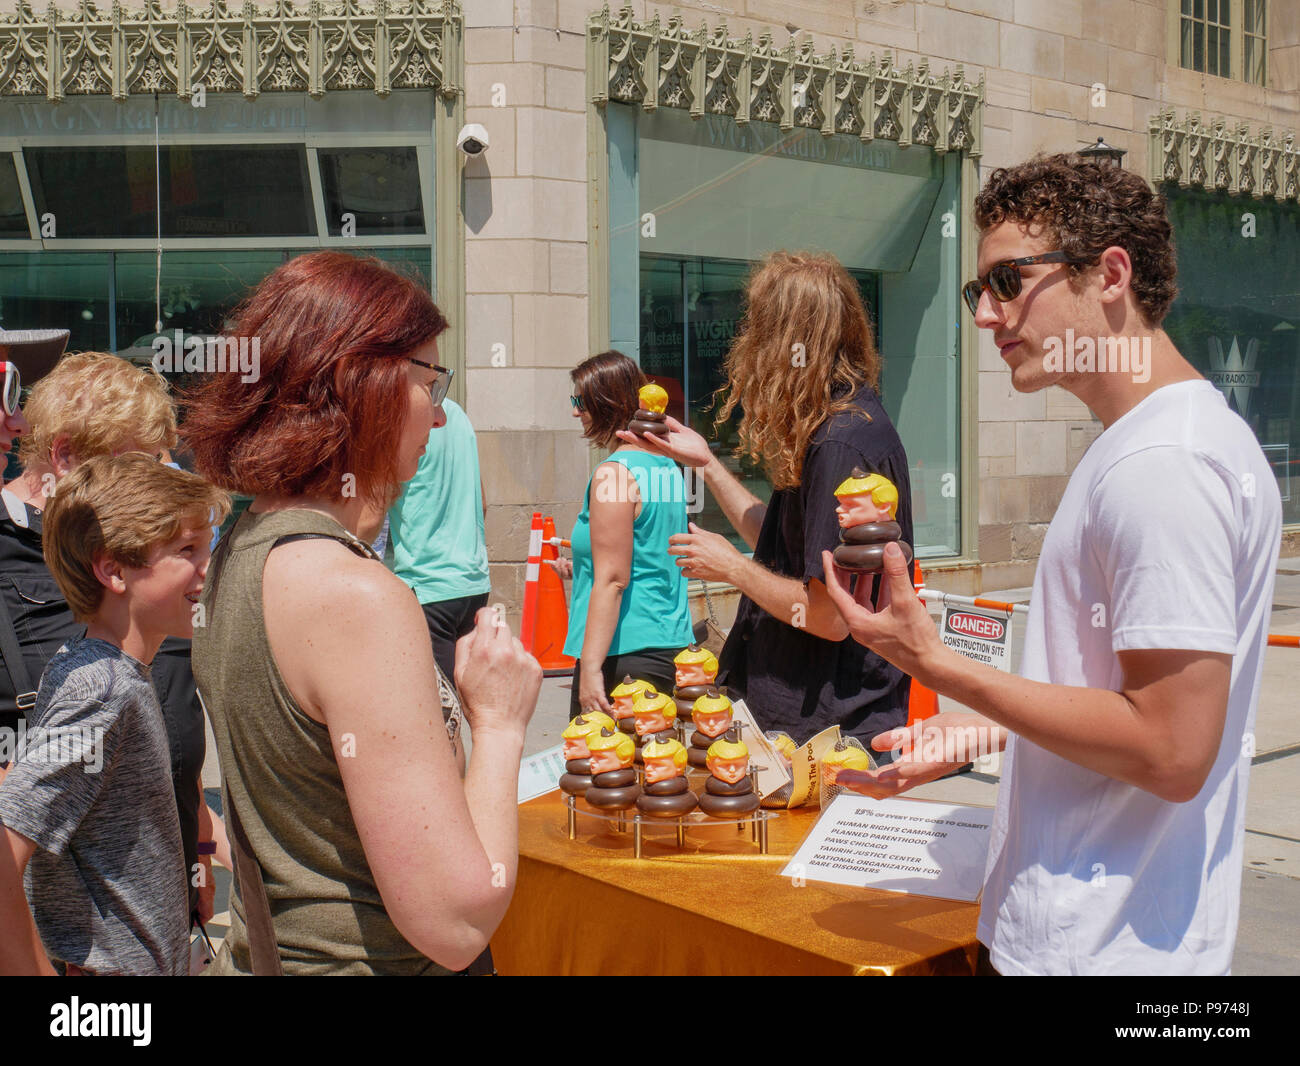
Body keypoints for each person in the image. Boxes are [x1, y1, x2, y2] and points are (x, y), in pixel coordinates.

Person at [821, 154, 1282, 976]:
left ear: (1109, 274)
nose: (988, 317)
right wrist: (975, 735)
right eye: (978, 290)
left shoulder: (1163, 463)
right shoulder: (1154, 444)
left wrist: (936, 664)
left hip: (1101, 952)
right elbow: (1117, 702)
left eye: (1007, 281)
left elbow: (1171, 750)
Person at [183, 250, 542, 975]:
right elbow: (456, 918)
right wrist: (500, 722)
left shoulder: (244, 548)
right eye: (429, 381)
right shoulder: (351, 595)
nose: (439, 417)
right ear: (364, 381)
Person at [619, 251, 912, 747]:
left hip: (828, 731)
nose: (746, 343)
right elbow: (779, 544)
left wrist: (732, 568)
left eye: (756, 327)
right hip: (807, 716)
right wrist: (706, 463)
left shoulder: (839, 443)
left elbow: (828, 617)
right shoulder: (831, 424)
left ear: (789, 340)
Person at [0, 351, 229, 933]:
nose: (160, 485)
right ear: (65, 456)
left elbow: (171, 722)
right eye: (137, 466)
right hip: (62, 934)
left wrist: (197, 855)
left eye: (162, 463)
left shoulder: (162, 565)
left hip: (160, 908)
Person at [563, 352, 694, 718]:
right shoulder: (666, 465)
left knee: (601, 768)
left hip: (623, 656)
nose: (575, 412)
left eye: (579, 401)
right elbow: (649, 552)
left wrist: (590, 668)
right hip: (670, 645)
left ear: (605, 402)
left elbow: (614, 579)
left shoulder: (615, 473)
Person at [387, 396, 491, 686]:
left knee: (437, 715)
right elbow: (482, 501)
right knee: (466, 710)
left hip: (428, 585)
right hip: (473, 584)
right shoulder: (455, 413)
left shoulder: (400, 418)